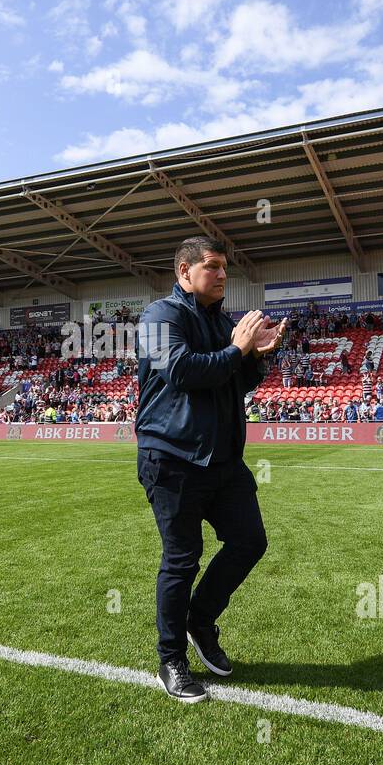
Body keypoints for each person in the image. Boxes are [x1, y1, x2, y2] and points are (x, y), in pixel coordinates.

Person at [134, 237, 285, 703]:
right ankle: (171, 660)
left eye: (225, 269)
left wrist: (256, 356)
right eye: (213, 267)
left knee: (250, 541)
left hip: (221, 460)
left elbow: (232, 383)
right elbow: (182, 371)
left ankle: (200, 620)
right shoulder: (160, 316)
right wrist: (239, 349)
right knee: (182, 558)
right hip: (172, 459)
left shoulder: (223, 323)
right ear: (184, 272)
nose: (222, 276)